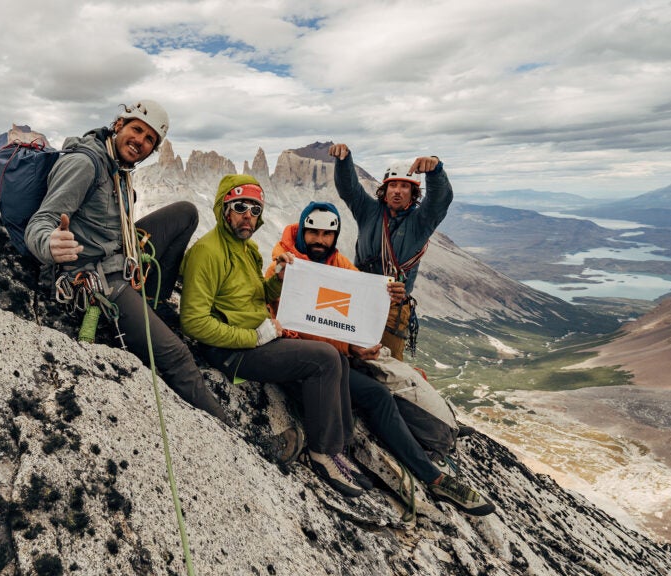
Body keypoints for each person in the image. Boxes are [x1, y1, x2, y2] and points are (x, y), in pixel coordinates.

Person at [263, 201, 495, 516]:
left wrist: (389, 298)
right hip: (301, 364)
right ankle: (321, 447)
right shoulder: (285, 263)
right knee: (345, 405)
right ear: (302, 230)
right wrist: (348, 348)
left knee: (378, 396)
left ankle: (434, 477)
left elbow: (360, 305)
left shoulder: (339, 264)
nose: (319, 240)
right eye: (313, 232)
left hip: (337, 362)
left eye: (326, 234)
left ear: (335, 237)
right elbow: (281, 314)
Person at [24, 100, 228, 423]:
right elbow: (40, 222)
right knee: (177, 356)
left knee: (186, 213)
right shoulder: (86, 164)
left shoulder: (116, 166)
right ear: (119, 125)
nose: (141, 142)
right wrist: (50, 243)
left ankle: (149, 303)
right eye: (136, 130)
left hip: (121, 255)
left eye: (150, 140)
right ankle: (229, 432)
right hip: (99, 279)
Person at [180, 175, 369, 498]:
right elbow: (193, 322)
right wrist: (253, 337)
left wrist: (280, 278)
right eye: (240, 207)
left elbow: (258, 294)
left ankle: (339, 448)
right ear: (224, 208)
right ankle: (322, 454)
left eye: (255, 210)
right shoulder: (206, 252)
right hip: (231, 350)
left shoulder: (248, 249)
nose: (248, 217)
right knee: (323, 359)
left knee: (336, 356)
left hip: (259, 338)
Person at [329, 144, 454, 361]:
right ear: (385, 191)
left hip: (393, 308)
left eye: (405, 186)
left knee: (388, 365)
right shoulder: (368, 211)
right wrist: (344, 160)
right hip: (360, 298)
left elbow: (439, 201)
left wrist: (435, 170)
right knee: (352, 358)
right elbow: (349, 189)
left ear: (413, 193)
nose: (397, 190)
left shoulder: (421, 222)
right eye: (392, 185)